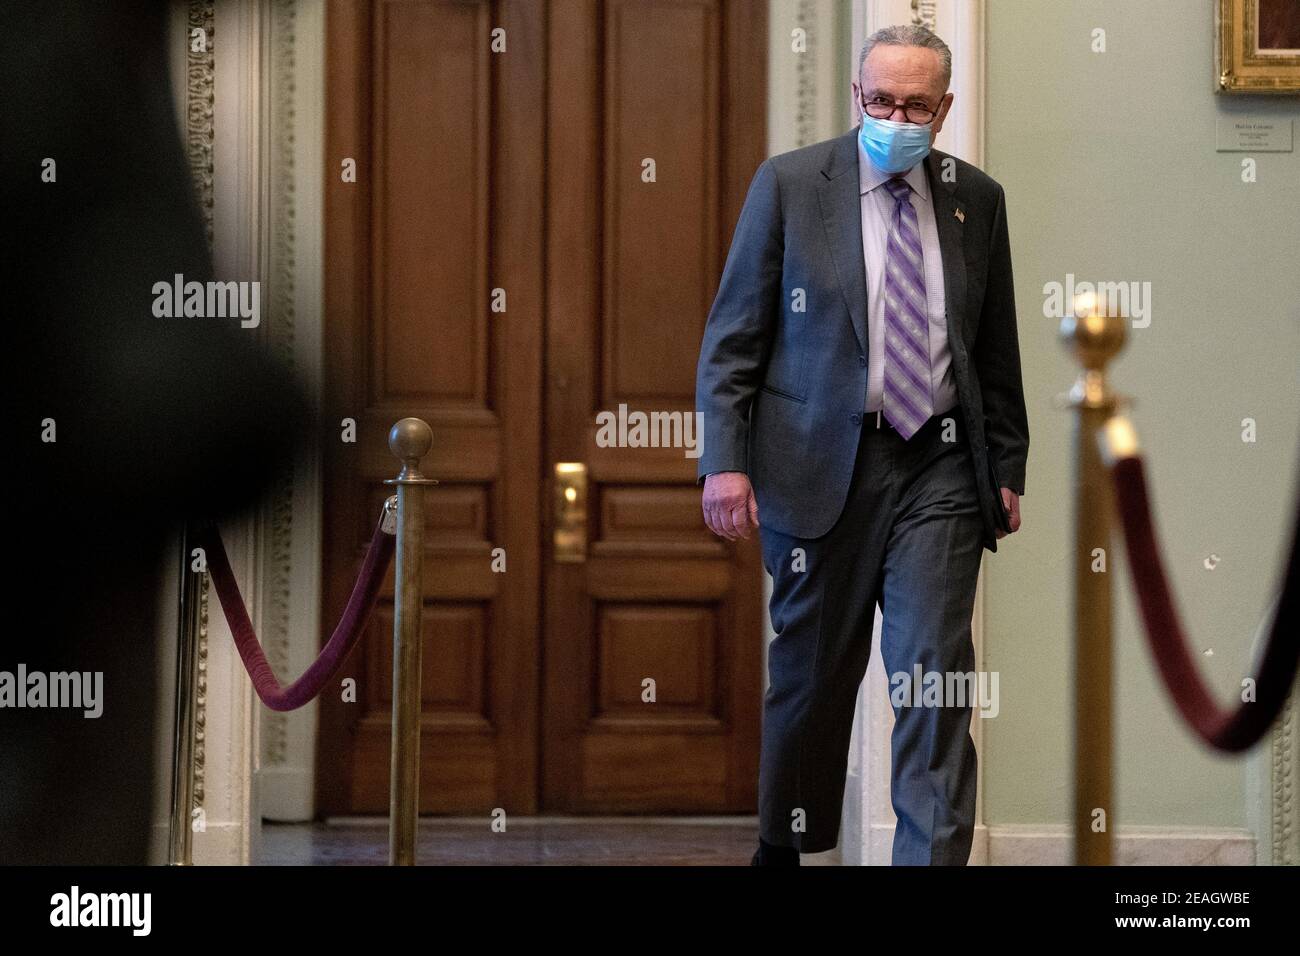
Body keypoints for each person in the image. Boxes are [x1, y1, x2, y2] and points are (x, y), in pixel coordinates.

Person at [695, 24, 1029, 866]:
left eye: (915, 104)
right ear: (856, 95)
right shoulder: (791, 184)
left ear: (943, 109)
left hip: (941, 469)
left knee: (930, 676)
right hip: (814, 464)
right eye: (880, 99)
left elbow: (995, 349)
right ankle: (786, 848)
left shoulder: (975, 199)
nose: (895, 116)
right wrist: (724, 461)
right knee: (810, 681)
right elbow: (734, 337)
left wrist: (1008, 465)